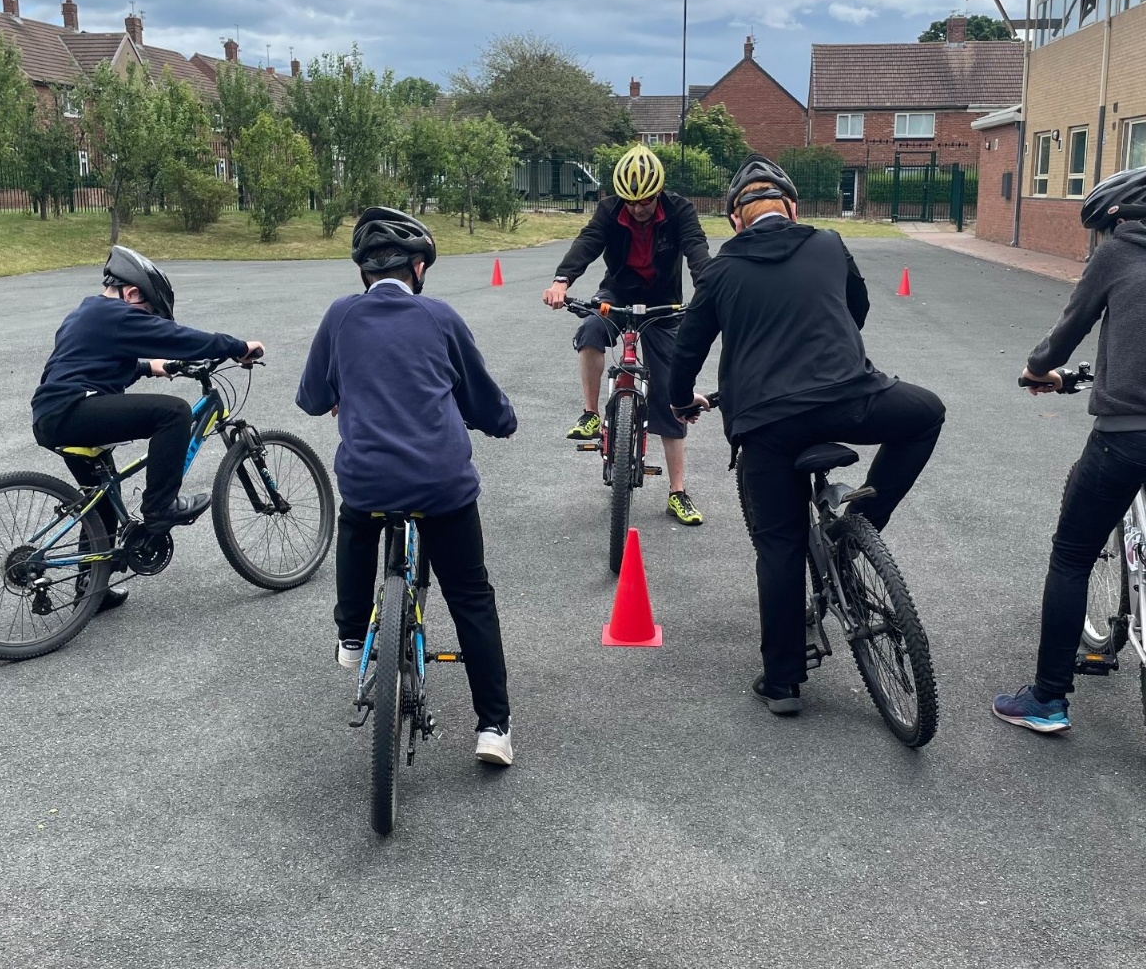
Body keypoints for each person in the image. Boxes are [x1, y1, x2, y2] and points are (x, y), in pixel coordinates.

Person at [668, 155, 945, 715]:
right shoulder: (826, 241)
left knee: (779, 547)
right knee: (927, 413)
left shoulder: (720, 272)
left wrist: (680, 403)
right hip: (851, 400)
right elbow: (857, 308)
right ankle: (863, 523)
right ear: (792, 209)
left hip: (768, 426)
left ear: (736, 221)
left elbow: (686, 352)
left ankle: (784, 682)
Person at [296, 206, 518, 767]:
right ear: (419, 266)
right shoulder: (440, 317)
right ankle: (493, 728)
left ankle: (351, 635)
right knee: (471, 596)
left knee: (356, 520)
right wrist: (501, 421)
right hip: (442, 485)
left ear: (364, 272)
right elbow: (482, 400)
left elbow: (312, 400)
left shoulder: (340, 317)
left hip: (370, 483)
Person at [993, 166, 1146, 735]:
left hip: (1128, 432)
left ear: (1116, 218)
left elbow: (1069, 330)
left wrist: (1039, 371)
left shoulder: (1119, 253)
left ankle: (1048, 698)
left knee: (1073, 555)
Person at [32, 246, 264, 608]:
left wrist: (153, 368)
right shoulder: (117, 313)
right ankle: (160, 507)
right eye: (149, 312)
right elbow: (178, 338)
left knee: (104, 503)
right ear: (133, 293)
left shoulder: (85, 313)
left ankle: (90, 591)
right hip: (74, 410)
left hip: (54, 414)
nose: (149, 320)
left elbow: (94, 362)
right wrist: (236, 346)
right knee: (173, 412)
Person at [542, 142, 711, 525]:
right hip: (617, 293)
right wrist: (561, 280)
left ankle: (678, 492)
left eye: (645, 201)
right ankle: (589, 414)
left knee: (671, 395)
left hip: (663, 302)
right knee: (590, 328)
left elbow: (697, 250)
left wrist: (710, 288)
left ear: (658, 192)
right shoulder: (610, 210)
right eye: (630, 201)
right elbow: (587, 242)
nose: (637, 209)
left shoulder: (680, 210)